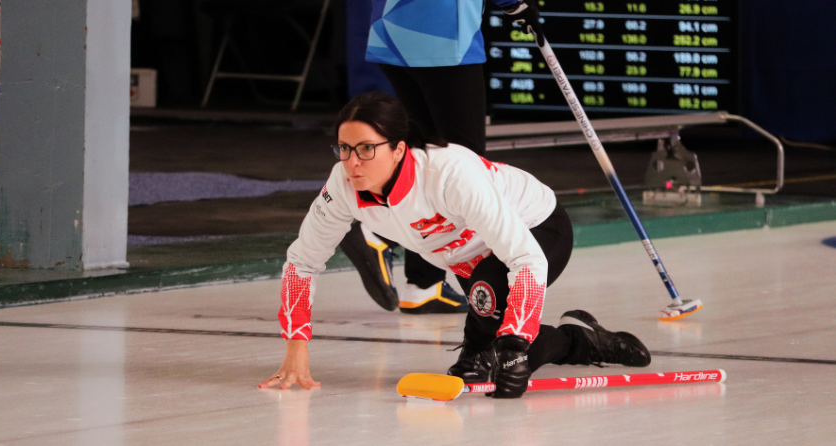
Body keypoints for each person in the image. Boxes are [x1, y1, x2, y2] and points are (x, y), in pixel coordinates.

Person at [258, 92, 651, 398]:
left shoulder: (449, 174)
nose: (352, 163)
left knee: (501, 337)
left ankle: (561, 341)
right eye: (344, 149)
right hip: (469, 259)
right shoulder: (342, 187)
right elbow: (301, 263)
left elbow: (525, 257)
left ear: (398, 149)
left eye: (365, 149)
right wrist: (296, 346)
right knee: (488, 357)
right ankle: (581, 340)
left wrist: (515, 343)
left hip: (537, 228)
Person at [339, 0, 546, 314]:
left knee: (425, 158)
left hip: (390, 29)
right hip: (442, 31)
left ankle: (423, 283)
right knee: (467, 168)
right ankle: (378, 233)